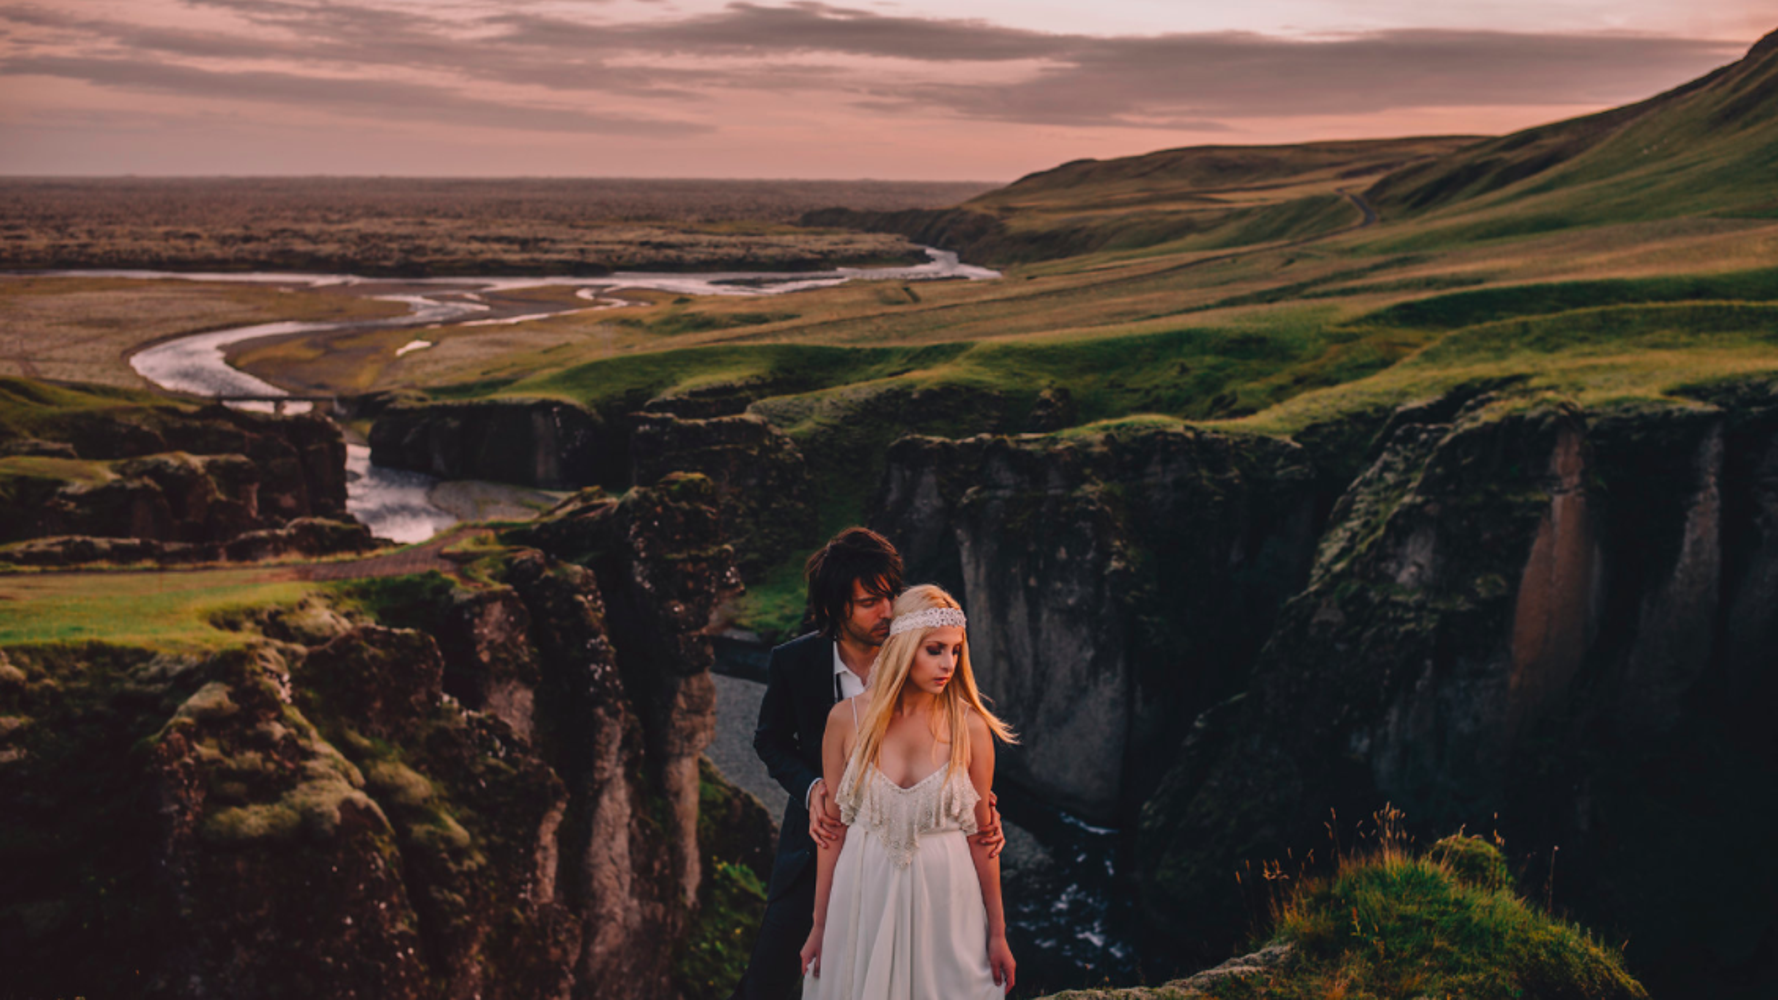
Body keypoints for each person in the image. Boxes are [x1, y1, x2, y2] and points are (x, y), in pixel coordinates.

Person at [729, 529, 1003, 1000]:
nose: (888, 611)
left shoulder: (920, 655)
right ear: (836, 608)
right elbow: (769, 740)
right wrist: (814, 786)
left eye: (892, 595)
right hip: (820, 840)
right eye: (870, 601)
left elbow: (952, 743)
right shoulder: (793, 662)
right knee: (767, 981)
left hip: (920, 859)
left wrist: (976, 802)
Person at [800, 584, 1017, 999]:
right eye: (934, 649)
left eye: (955, 651)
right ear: (903, 648)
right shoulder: (845, 721)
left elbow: (983, 838)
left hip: (948, 903)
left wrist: (998, 935)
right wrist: (820, 926)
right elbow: (833, 833)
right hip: (861, 894)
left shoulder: (971, 728)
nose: (948, 663)